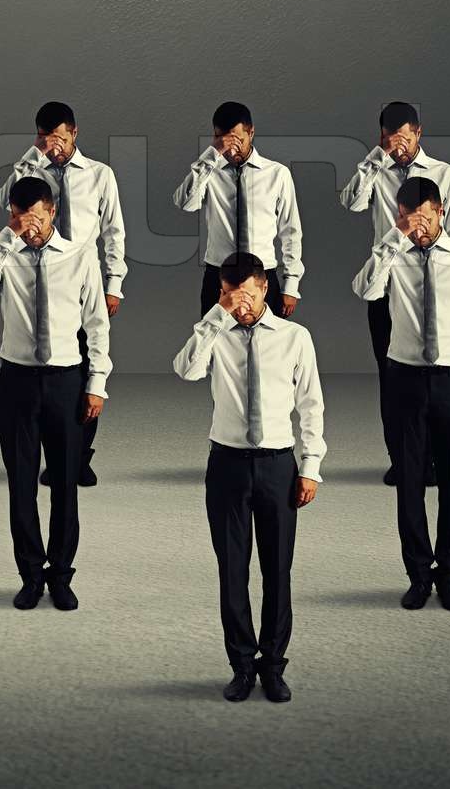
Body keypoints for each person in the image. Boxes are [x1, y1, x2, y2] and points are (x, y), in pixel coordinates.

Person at [174, 252, 326, 704]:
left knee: (278, 571)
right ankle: (241, 667)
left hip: (279, 465)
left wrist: (311, 467)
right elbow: (185, 370)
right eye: (225, 293)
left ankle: (274, 667)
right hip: (227, 465)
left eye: (240, 295)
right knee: (232, 572)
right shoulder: (215, 333)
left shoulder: (295, 338)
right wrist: (217, 315)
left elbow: (312, 406)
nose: (233, 303)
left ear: (263, 290)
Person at [0, 177, 111, 612]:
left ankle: (61, 577)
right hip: (17, 382)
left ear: (51, 213)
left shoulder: (80, 256)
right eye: (14, 216)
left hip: (66, 381)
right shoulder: (6, 253)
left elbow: (97, 325)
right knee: (21, 485)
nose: (22, 225)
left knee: (64, 485)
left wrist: (96, 384)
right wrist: (6, 239)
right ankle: (30, 577)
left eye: (29, 218)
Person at [352, 176, 450, 610]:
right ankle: (418, 576)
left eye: (420, 217)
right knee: (409, 484)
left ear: (441, 213)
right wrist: (394, 240)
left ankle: (449, 576)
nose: (412, 225)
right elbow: (365, 289)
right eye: (403, 216)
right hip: (404, 379)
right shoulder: (391, 255)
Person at [0, 101, 126, 489]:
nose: (52, 145)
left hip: (83, 280)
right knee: (55, 365)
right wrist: (32, 157)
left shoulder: (100, 175)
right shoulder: (32, 170)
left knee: (86, 369)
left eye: (58, 138)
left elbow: (113, 233)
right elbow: (4, 200)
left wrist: (113, 283)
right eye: (44, 137)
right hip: (41, 276)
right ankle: (47, 450)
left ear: (74, 133)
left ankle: (78, 455)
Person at [339, 100, 450, 487]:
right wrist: (375, 161)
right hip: (386, 286)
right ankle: (402, 458)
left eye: (403, 139)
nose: (397, 146)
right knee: (392, 375)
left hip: (433, 285)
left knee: (435, 370)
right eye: (387, 139)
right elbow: (350, 202)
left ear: (418, 134)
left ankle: (434, 458)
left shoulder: (444, 174)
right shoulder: (376, 171)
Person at [173, 100, 303, 318]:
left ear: (251, 133)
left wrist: (291, 285)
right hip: (218, 276)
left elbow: (291, 231)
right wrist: (212, 154)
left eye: (237, 140)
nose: (231, 149)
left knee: (268, 346)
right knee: (213, 343)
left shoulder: (277, 174)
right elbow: (185, 203)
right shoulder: (209, 172)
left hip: (263, 276)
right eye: (222, 140)